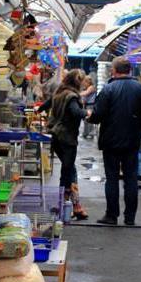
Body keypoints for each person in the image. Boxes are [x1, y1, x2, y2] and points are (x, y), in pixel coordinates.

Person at [87, 57, 141, 226]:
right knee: (131, 179)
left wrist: (91, 116)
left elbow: (98, 115)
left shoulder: (108, 89)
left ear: (114, 70)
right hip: (132, 140)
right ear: (129, 70)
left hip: (110, 141)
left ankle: (111, 215)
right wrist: (139, 125)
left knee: (111, 178)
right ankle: (130, 217)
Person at [37, 69, 90, 220]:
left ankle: (69, 204)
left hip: (55, 135)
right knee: (68, 171)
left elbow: (45, 105)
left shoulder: (60, 92)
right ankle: (67, 204)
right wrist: (87, 113)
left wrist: (38, 110)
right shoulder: (72, 96)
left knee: (69, 169)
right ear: (77, 82)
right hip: (67, 137)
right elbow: (75, 112)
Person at [80, 74, 97, 139]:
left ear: (88, 82)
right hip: (87, 105)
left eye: (85, 82)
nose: (84, 83)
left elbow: (86, 93)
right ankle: (85, 133)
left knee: (89, 119)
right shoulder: (86, 88)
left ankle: (90, 133)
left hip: (90, 105)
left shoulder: (91, 87)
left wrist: (77, 93)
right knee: (86, 120)